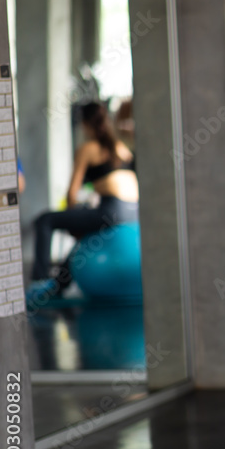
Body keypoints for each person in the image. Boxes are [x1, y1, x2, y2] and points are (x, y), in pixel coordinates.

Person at [27, 102, 138, 301]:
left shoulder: (88, 148)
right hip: (134, 214)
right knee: (89, 232)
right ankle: (60, 285)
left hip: (112, 210)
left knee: (44, 220)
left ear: (86, 125)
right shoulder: (122, 149)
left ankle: (40, 281)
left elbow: (72, 193)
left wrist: (72, 221)